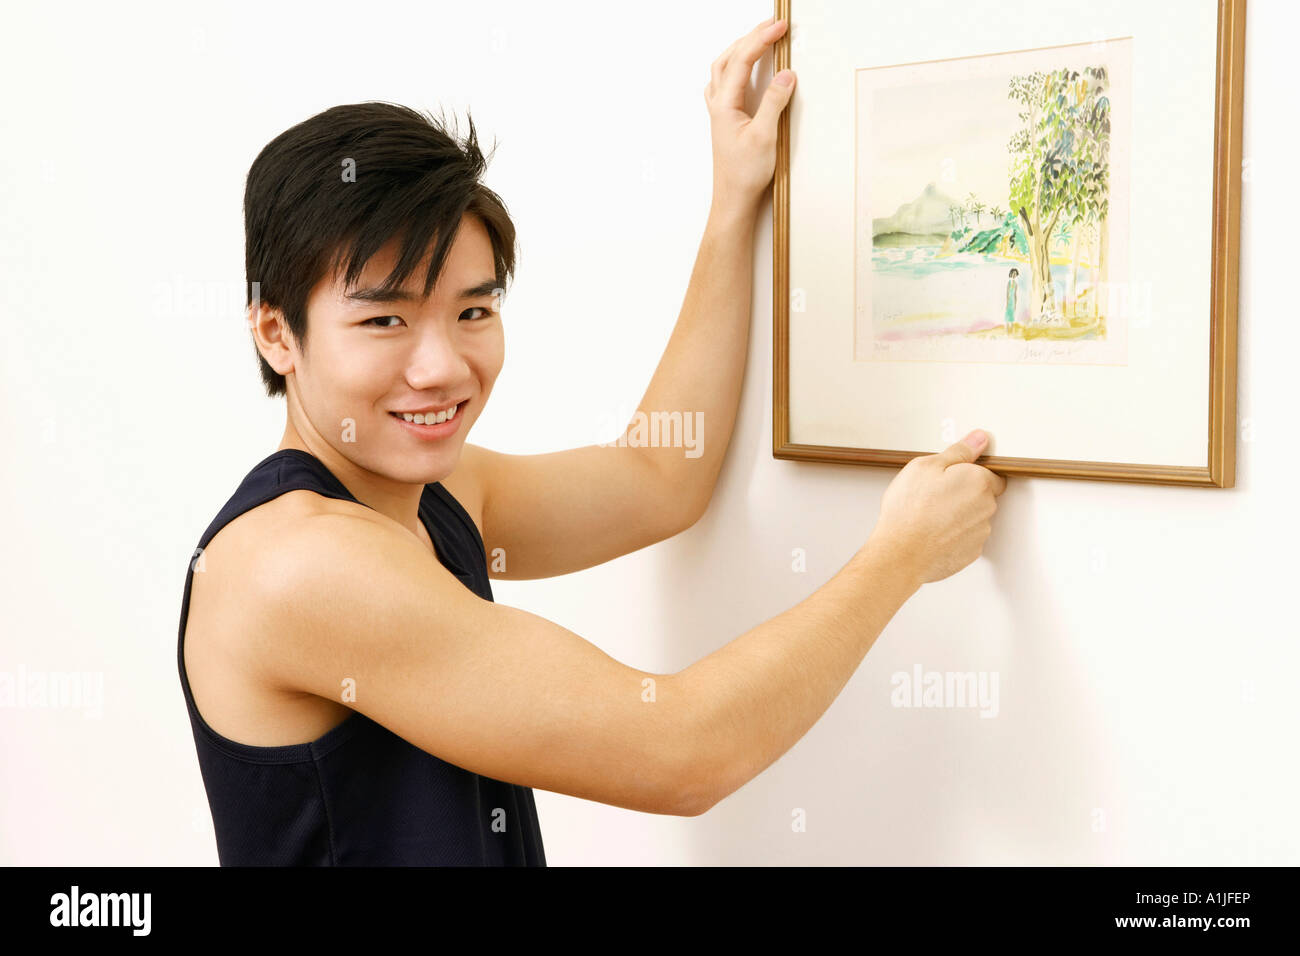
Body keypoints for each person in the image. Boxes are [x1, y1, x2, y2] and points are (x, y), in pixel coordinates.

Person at [178, 16, 1007, 866]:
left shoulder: (433, 498)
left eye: (473, 310)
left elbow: (657, 476)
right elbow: (681, 752)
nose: (441, 367)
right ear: (277, 333)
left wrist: (733, 205)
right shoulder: (299, 565)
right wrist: (900, 556)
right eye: (385, 319)